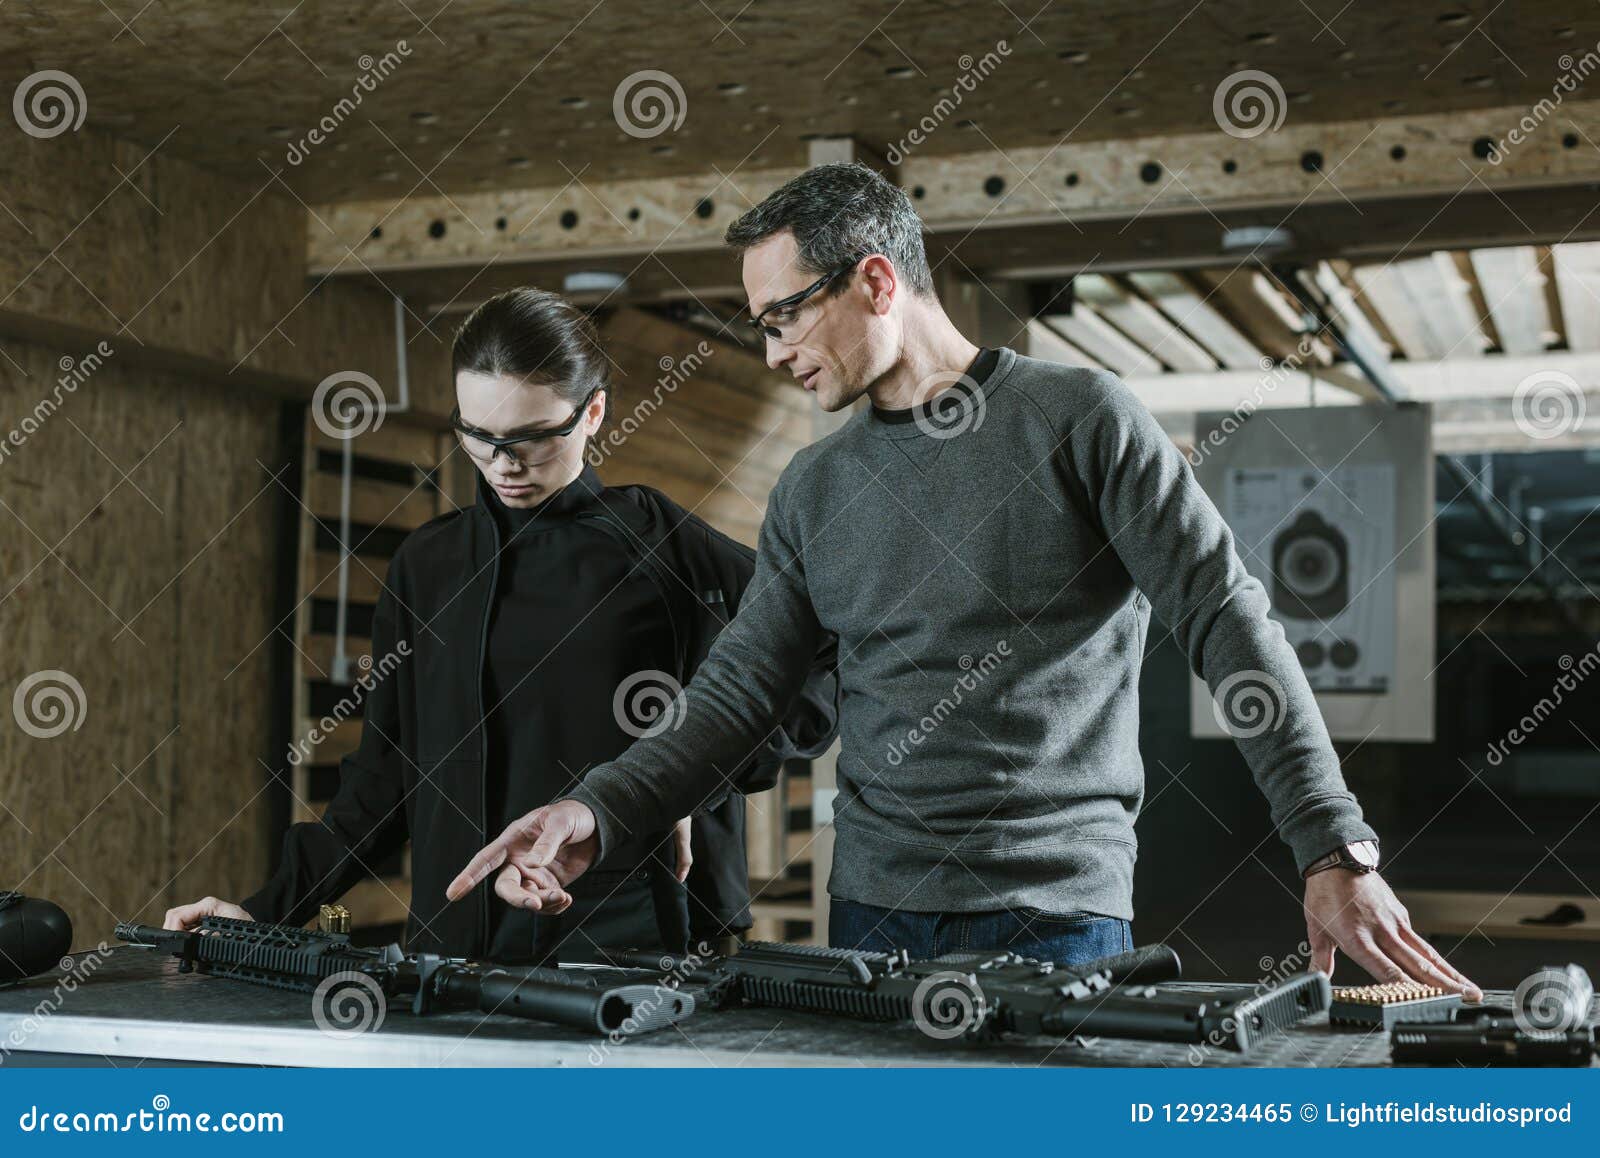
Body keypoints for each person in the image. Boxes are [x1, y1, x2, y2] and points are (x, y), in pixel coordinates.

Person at [446, 163, 1480, 998]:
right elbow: (733, 698)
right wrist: (594, 809)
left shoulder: (1080, 420)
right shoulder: (812, 489)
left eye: (781, 318)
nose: (770, 354)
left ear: (875, 281)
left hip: (1059, 920)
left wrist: (1331, 843)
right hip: (874, 922)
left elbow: (1223, 617)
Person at [165, 288, 838, 963]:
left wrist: (690, 778)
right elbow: (384, 780)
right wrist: (262, 910)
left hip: (632, 944)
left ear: (593, 412)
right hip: (455, 941)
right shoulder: (427, 565)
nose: (505, 465)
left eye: (532, 438)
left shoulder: (669, 549)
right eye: (480, 438)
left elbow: (821, 660)